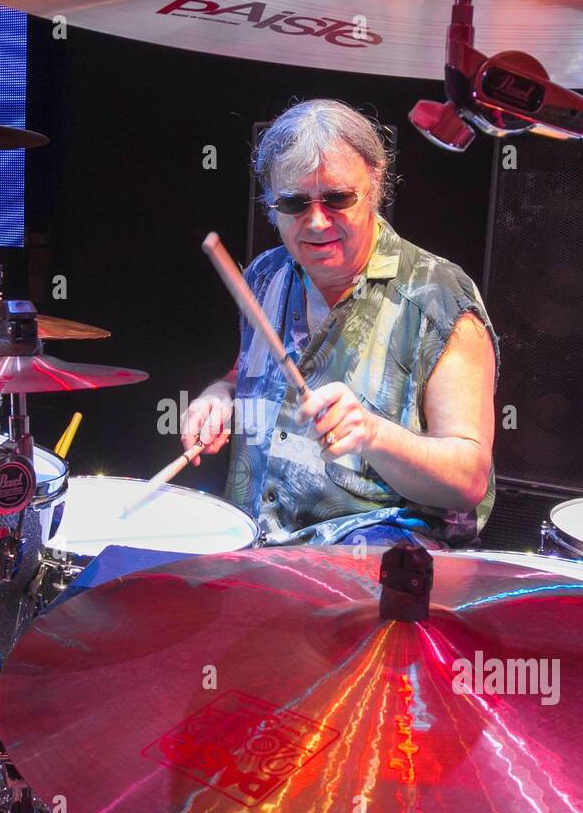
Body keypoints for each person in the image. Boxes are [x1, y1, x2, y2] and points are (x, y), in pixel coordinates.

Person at [181, 98, 499, 550]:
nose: (315, 220)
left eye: (337, 198)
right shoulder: (264, 276)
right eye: (294, 202)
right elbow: (250, 372)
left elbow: (467, 480)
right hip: (258, 551)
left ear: (376, 181)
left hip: (376, 569)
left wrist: (372, 433)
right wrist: (220, 394)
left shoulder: (440, 298)